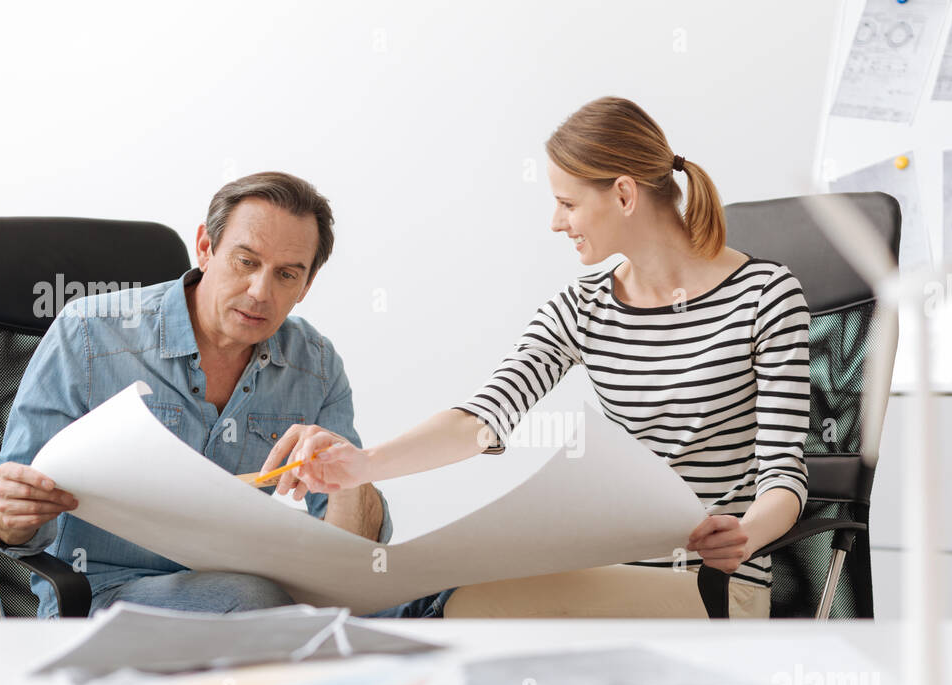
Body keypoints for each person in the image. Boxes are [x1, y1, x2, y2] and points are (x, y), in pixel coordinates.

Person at [259, 97, 812, 618]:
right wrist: (364, 463)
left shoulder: (766, 294)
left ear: (623, 195)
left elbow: (784, 476)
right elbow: (481, 418)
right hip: (606, 575)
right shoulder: (583, 306)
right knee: (441, 593)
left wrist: (749, 533)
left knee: (442, 604)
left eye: (568, 203)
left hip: (713, 590)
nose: (555, 222)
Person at [0, 171, 447, 619]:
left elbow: (355, 552)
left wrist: (350, 476)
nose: (260, 291)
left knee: (435, 596)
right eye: (246, 262)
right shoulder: (89, 334)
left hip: (255, 595)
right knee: (255, 600)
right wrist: (9, 514)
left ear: (307, 284)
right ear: (205, 247)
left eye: (286, 274)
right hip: (107, 598)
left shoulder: (316, 365)